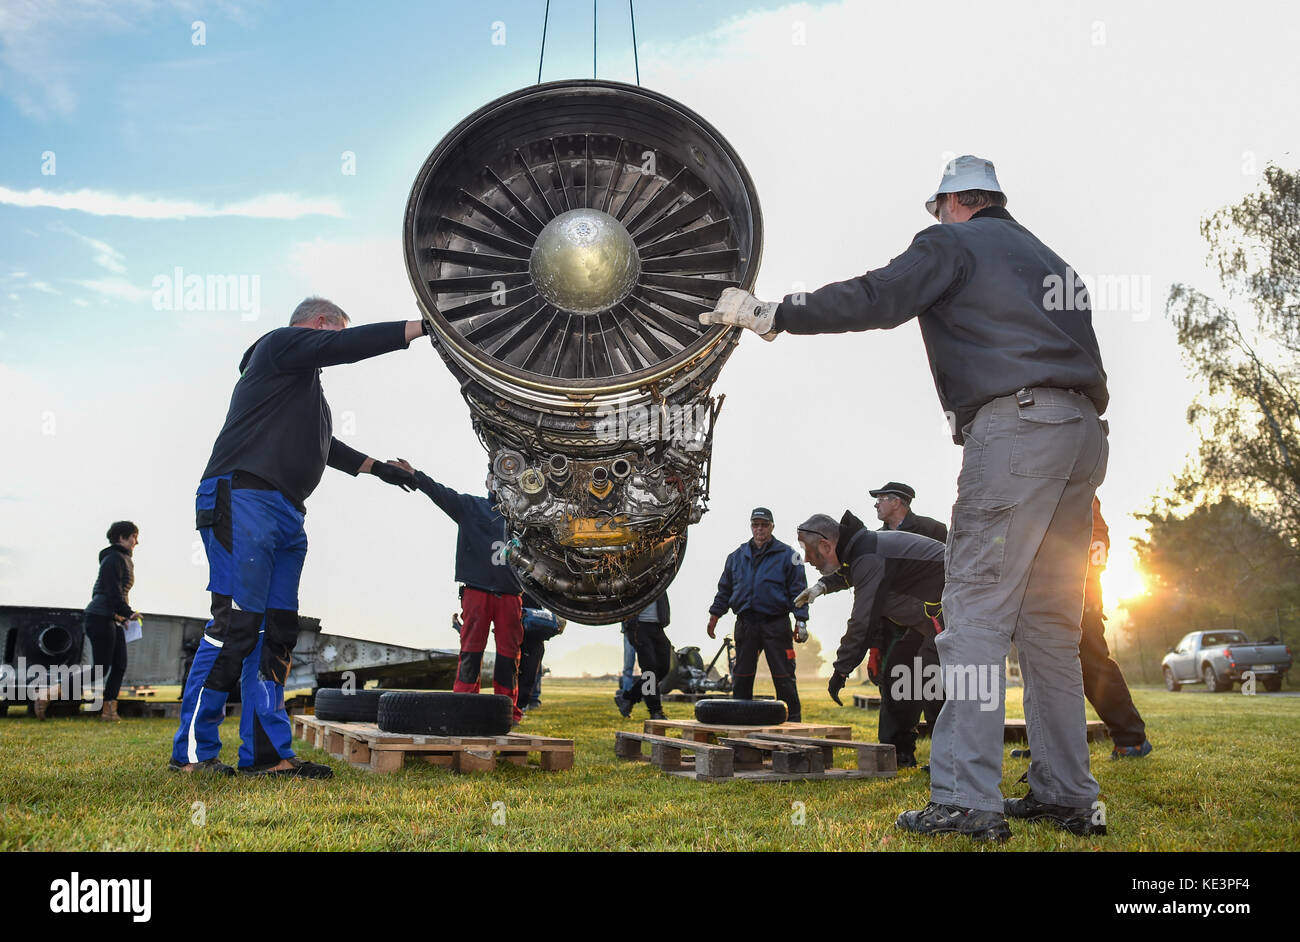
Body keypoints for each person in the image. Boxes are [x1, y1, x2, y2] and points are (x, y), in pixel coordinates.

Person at [702, 156, 1109, 841]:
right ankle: (1067, 793)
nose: (933, 221)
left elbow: (877, 296)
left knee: (975, 612)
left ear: (953, 203)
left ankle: (964, 797)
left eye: (935, 211)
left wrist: (774, 314)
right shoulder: (1052, 261)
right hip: (1082, 436)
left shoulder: (952, 242)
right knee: (1048, 630)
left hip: (1015, 426)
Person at [170, 297, 424, 777]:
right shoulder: (278, 346)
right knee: (235, 625)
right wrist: (420, 327)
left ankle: (265, 757)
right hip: (241, 496)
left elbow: (329, 447)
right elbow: (349, 347)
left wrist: (382, 471)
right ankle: (192, 754)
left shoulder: (303, 392)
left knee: (275, 635)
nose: (334, 345)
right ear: (321, 324)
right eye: (335, 333)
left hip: (286, 514)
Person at [795, 512, 946, 767]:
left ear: (826, 545)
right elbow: (848, 573)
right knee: (899, 671)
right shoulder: (861, 550)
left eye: (809, 551)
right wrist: (821, 587)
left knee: (931, 677)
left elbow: (863, 621)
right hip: (924, 621)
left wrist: (841, 670)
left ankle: (951, 763)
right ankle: (901, 752)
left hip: (947, 616)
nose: (807, 559)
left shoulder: (868, 555)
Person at [399, 460, 527, 725]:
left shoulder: (525, 519)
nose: (499, 483)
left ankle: (507, 711)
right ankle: (464, 705)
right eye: (495, 477)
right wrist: (416, 476)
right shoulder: (470, 506)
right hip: (477, 592)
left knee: (508, 656)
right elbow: (440, 493)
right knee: (471, 650)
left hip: (511, 595)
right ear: (488, 481)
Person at [707, 507, 809, 722]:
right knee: (742, 676)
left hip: (776, 623)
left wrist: (801, 620)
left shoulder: (790, 556)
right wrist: (715, 615)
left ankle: (792, 722)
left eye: (764, 525)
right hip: (746, 623)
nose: (760, 529)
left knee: (784, 675)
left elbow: (799, 591)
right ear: (751, 526)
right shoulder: (736, 556)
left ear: (772, 526)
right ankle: (739, 722)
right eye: (756, 525)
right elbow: (724, 590)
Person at [77, 521, 142, 723]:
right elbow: (112, 592)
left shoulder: (122, 559)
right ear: (121, 537)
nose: (136, 542)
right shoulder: (113, 558)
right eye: (133, 536)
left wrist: (122, 616)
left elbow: (119, 593)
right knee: (101, 668)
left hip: (113, 618)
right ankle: (50, 693)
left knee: (120, 664)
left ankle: (109, 710)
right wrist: (127, 612)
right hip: (99, 617)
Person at [614, 593, 672, 720]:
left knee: (664, 667)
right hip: (638, 627)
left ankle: (628, 698)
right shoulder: (635, 577)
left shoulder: (658, 575)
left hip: (657, 626)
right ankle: (655, 710)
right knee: (649, 670)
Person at [517, 595, 565, 712]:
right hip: (526, 627)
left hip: (531, 628)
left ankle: (525, 702)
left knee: (531, 669)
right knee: (529, 668)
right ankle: (523, 703)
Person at [870, 482, 947, 542]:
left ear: (895, 502)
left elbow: (949, 560)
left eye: (880, 499)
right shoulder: (876, 537)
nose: (876, 505)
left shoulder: (932, 529)